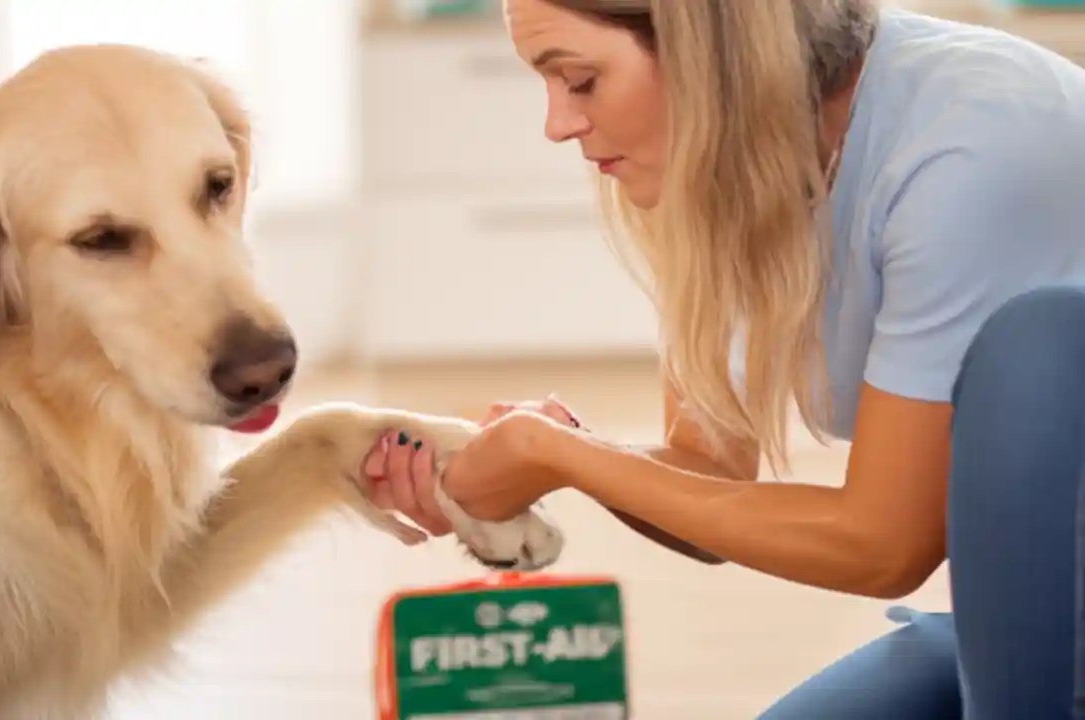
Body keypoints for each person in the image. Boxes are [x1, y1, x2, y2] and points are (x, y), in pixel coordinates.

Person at [360, 1, 1085, 717]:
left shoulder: (971, 146)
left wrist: (557, 455)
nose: (557, 125)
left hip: (1042, 640)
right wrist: (562, 454)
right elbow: (706, 475)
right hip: (1017, 623)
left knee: (1034, 348)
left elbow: (884, 546)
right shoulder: (741, 176)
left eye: (579, 80)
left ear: (710, 49)